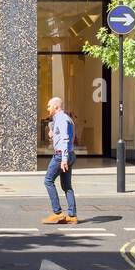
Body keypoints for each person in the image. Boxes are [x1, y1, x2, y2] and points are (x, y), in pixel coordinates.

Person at [42, 95, 78, 225]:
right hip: (69, 154)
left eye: (49, 106)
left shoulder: (62, 118)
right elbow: (64, 136)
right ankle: (72, 216)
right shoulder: (64, 118)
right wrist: (53, 133)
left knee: (48, 180)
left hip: (62, 155)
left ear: (56, 106)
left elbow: (65, 139)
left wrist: (63, 159)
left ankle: (57, 213)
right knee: (67, 186)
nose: (48, 108)